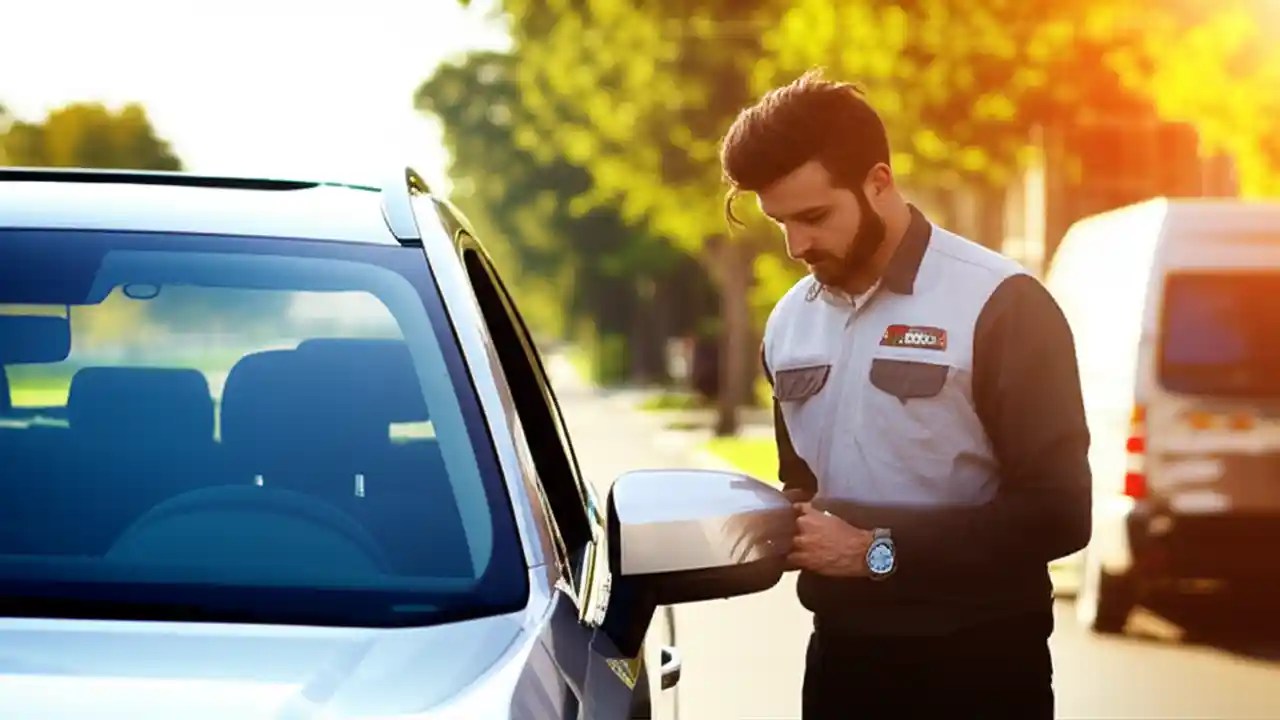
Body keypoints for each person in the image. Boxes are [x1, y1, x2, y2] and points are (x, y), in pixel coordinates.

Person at [718, 69, 1093, 719]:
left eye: (813, 216)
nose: (796, 245)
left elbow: (1060, 515)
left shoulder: (1001, 304)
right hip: (841, 666)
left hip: (982, 668)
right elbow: (803, 488)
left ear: (879, 183)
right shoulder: (788, 324)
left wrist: (874, 552)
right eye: (779, 222)